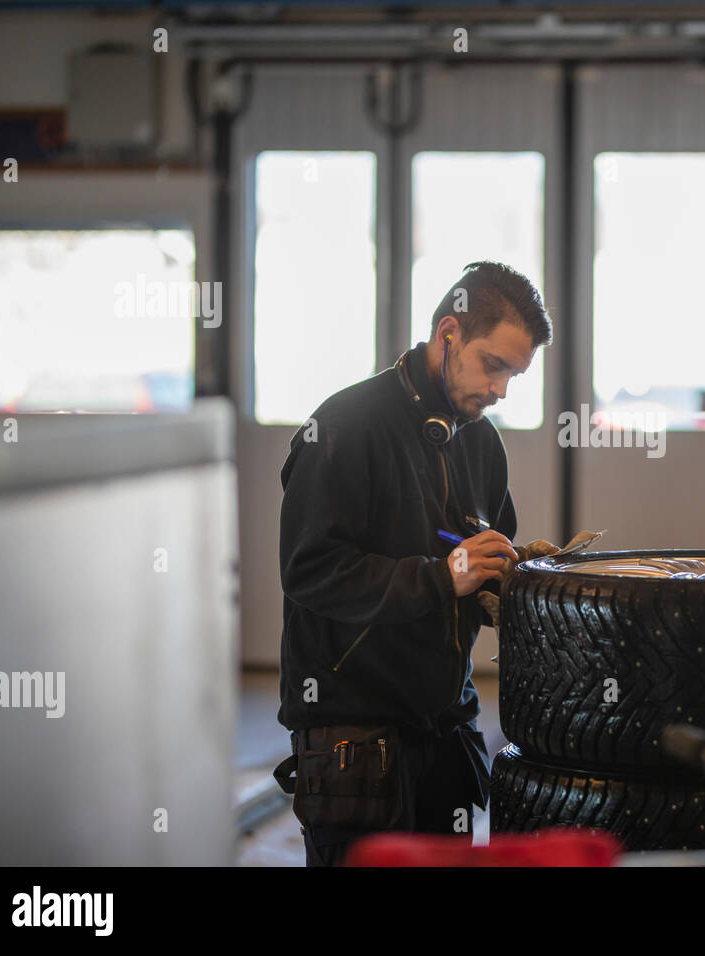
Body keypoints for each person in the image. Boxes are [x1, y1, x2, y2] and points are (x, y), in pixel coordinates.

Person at [273, 261, 553, 866]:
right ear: (449, 333)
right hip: (357, 744)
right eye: (494, 364)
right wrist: (441, 574)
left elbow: (485, 557)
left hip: (447, 735)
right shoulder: (345, 426)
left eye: (516, 374)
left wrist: (516, 578)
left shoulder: (480, 440)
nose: (501, 389)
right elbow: (309, 569)